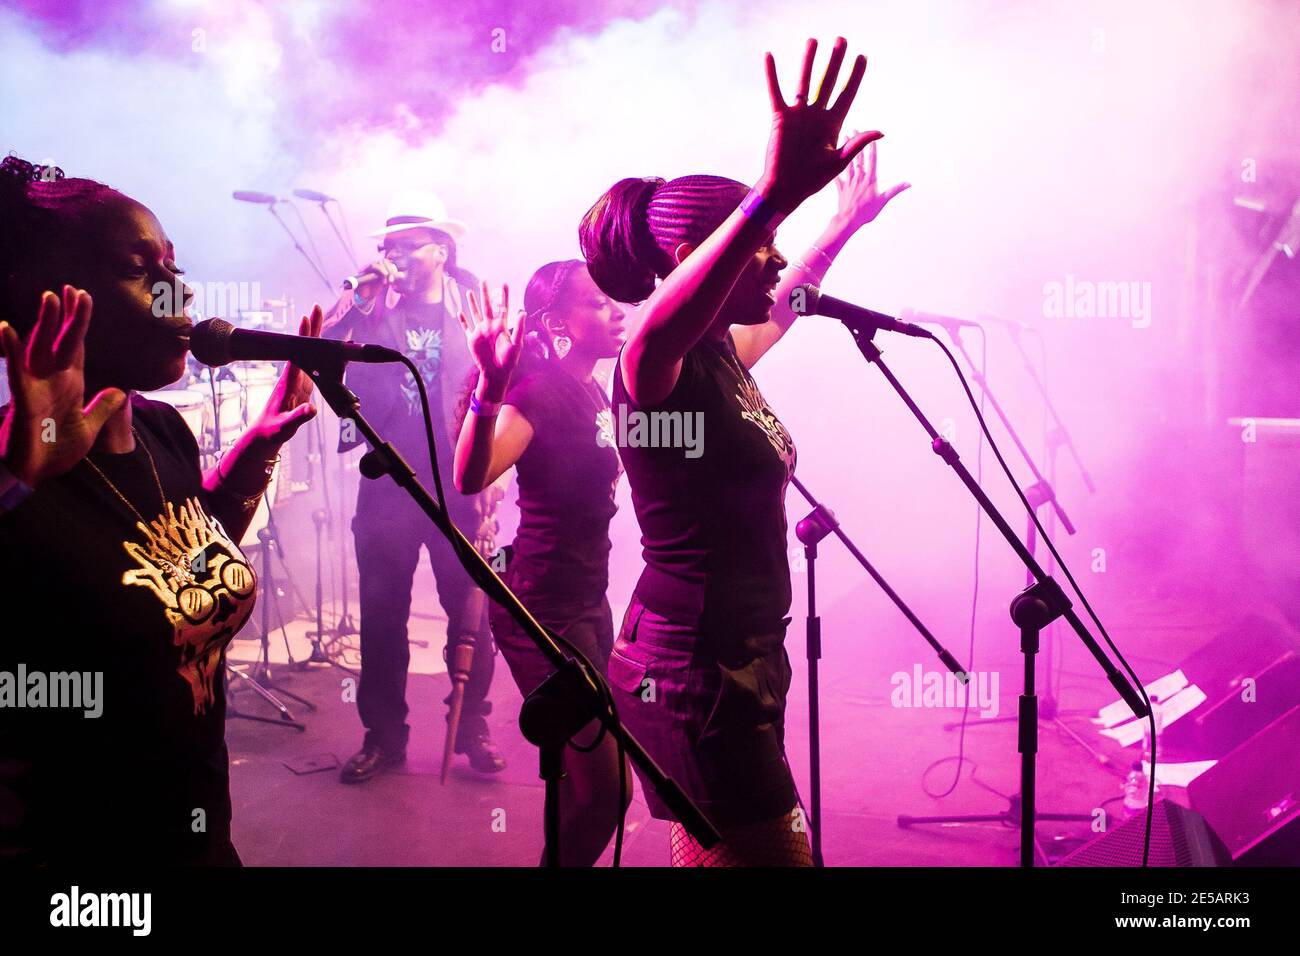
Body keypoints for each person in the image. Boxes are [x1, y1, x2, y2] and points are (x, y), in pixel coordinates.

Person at [578, 37, 906, 865]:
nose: (778, 254)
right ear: (695, 259)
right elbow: (662, 324)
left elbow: (788, 302)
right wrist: (768, 194)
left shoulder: (719, 351)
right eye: (762, 240)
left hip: (735, 658)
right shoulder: (650, 363)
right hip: (693, 671)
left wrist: (836, 224)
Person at [0, 155, 322, 865]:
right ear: (46, 296)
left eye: (174, 265)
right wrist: (21, 477)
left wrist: (260, 447)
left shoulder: (161, 431)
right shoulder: (11, 472)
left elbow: (179, 560)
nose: (180, 291)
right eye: (141, 269)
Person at [323, 192, 505, 781]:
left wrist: (495, 478)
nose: (391, 255)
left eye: (403, 246)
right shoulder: (369, 310)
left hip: (458, 485)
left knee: (469, 611)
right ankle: (383, 737)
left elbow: (505, 396)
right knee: (381, 615)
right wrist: (356, 291)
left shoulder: (473, 308)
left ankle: (471, 724)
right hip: (387, 482)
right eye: (385, 247)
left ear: (441, 252)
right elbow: (314, 347)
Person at [453, 261, 631, 865]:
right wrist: (488, 385)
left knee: (590, 787)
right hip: (544, 611)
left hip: (587, 599)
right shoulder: (536, 392)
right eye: (598, 303)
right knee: (605, 793)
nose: (618, 310)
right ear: (557, 323)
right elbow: (471, 473)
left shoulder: (593, 387)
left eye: (616, 301)